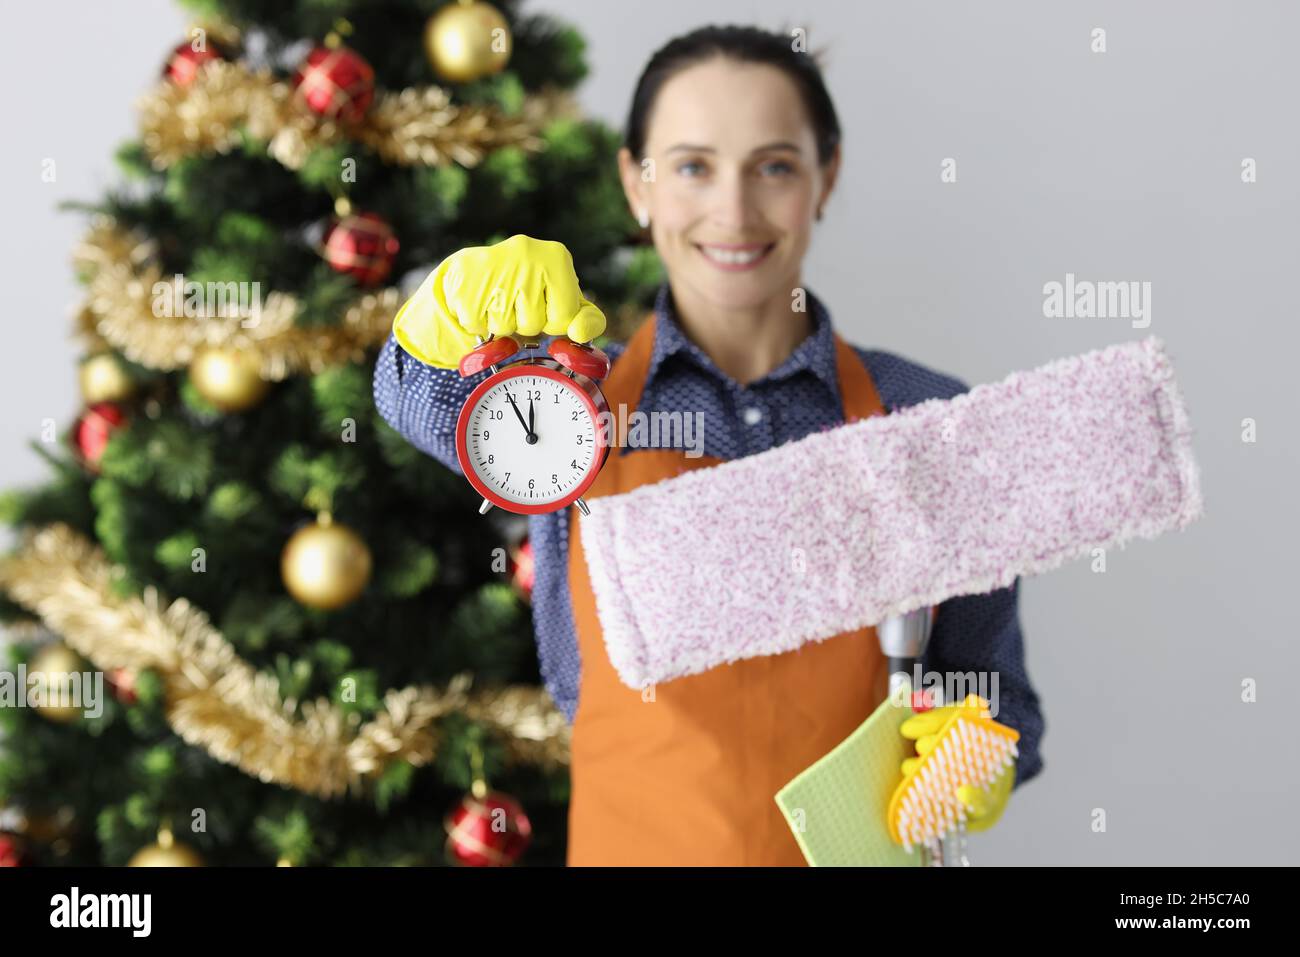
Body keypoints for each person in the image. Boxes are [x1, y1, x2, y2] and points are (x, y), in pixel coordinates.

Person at [373, 24, 1044, 866]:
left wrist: (978, 750)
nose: (733, 210)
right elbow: (416, 400)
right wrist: (439, 325)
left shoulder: (927, 415)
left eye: (774, 166)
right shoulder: (565, 411)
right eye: (692, 166)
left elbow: (999, 695)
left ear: (825, 177)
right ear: (635, 184)